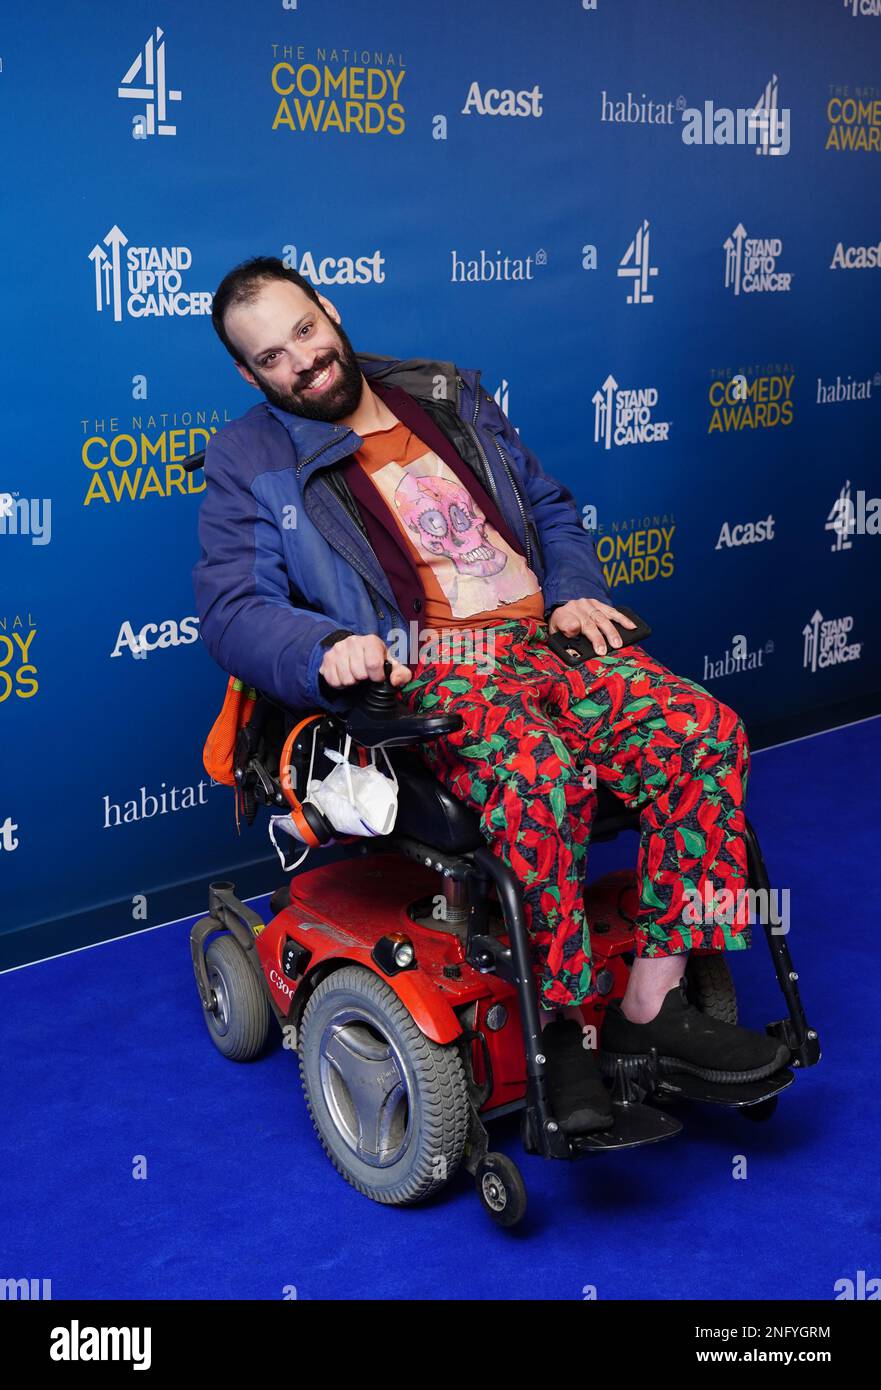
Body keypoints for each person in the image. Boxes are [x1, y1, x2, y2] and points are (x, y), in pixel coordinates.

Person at [193, 256, 788, 1135]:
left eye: (306, 331)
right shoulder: (250, 457)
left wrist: (573, 585)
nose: (303, 362)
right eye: (273, 358)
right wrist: (327, 649)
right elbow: (234, 609)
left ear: (329, 310)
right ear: (250, 375)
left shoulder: (444, 393)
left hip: (545, 640)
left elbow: (548, 508)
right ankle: (558, 1028)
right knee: (537, 775)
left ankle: (652, 1006)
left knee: (707, 733)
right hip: (430, 663)